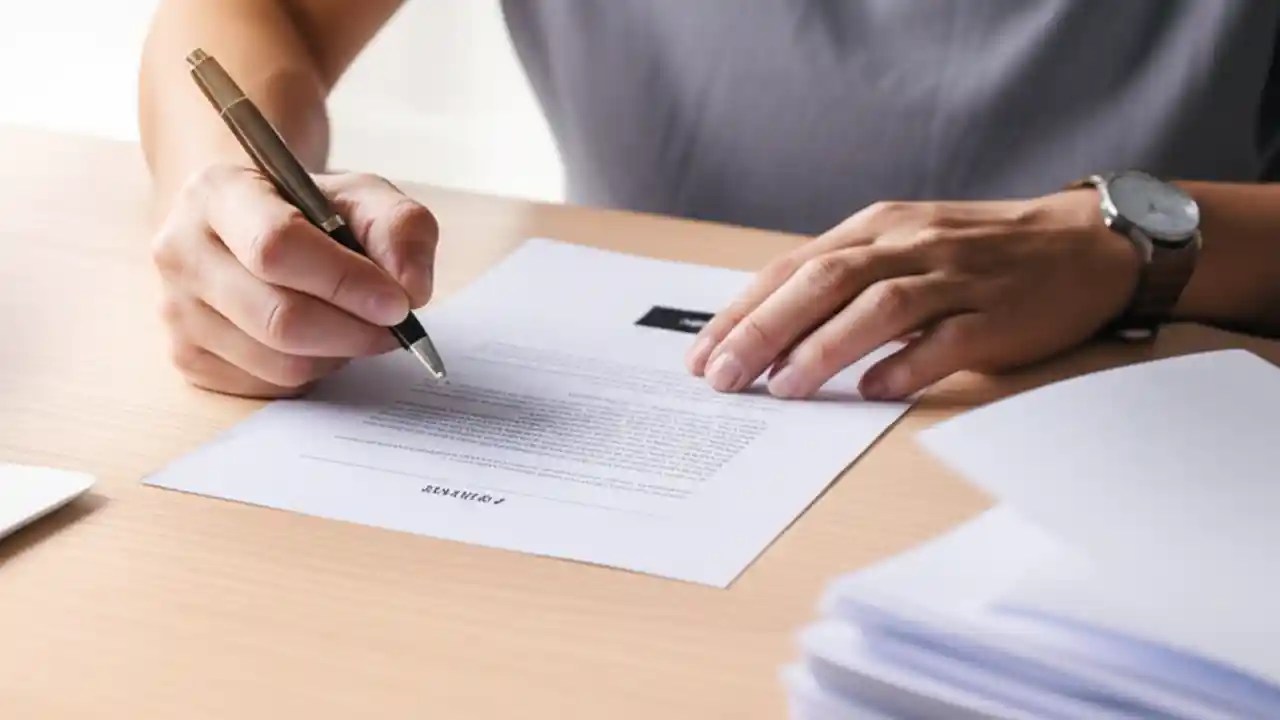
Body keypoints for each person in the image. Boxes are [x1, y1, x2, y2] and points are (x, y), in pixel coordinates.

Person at [140, 1, 1280, 401]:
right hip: (666, 393)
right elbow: (247, 15)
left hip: (1152, 407)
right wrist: (234, 201)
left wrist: (1130, 242)